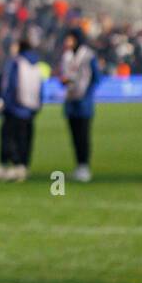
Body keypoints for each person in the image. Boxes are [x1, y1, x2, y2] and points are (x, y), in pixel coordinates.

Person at [0, 37, 43, 181]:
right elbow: (40, 87)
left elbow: (9, 85)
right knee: (26, 138)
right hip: (31, 108)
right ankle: (24, 166)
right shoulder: (36, 64)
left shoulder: (15, 63)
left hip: (15, 107)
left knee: (12, 138)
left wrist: (5, 104)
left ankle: (15, 166)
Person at [59, 27, 100, 182]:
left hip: (83, 103)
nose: (66, 42)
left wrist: (87, 94)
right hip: (70, 101)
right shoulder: (67, 56)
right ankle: (79, 166)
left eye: (69, 38)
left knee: (83, 135)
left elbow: (96, 78)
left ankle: (84, 166)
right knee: (74, 135)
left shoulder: (88, 56)